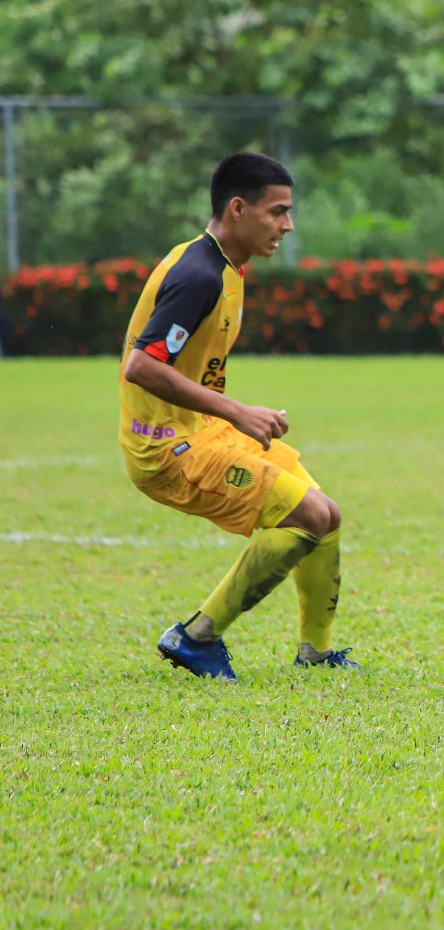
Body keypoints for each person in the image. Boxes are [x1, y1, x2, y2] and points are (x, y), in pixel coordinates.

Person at [120, 152, 355, 680]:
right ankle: (195, 637)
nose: (288, 225)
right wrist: (236, 411)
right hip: (166, 450)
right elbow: (141, 366)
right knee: (309, 516)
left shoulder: (225, 266)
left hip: (203, 432)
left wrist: (231, 416)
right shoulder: (199, 274)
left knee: (326, 513)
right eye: (278, 212)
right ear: (238, 208)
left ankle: (315, 654)